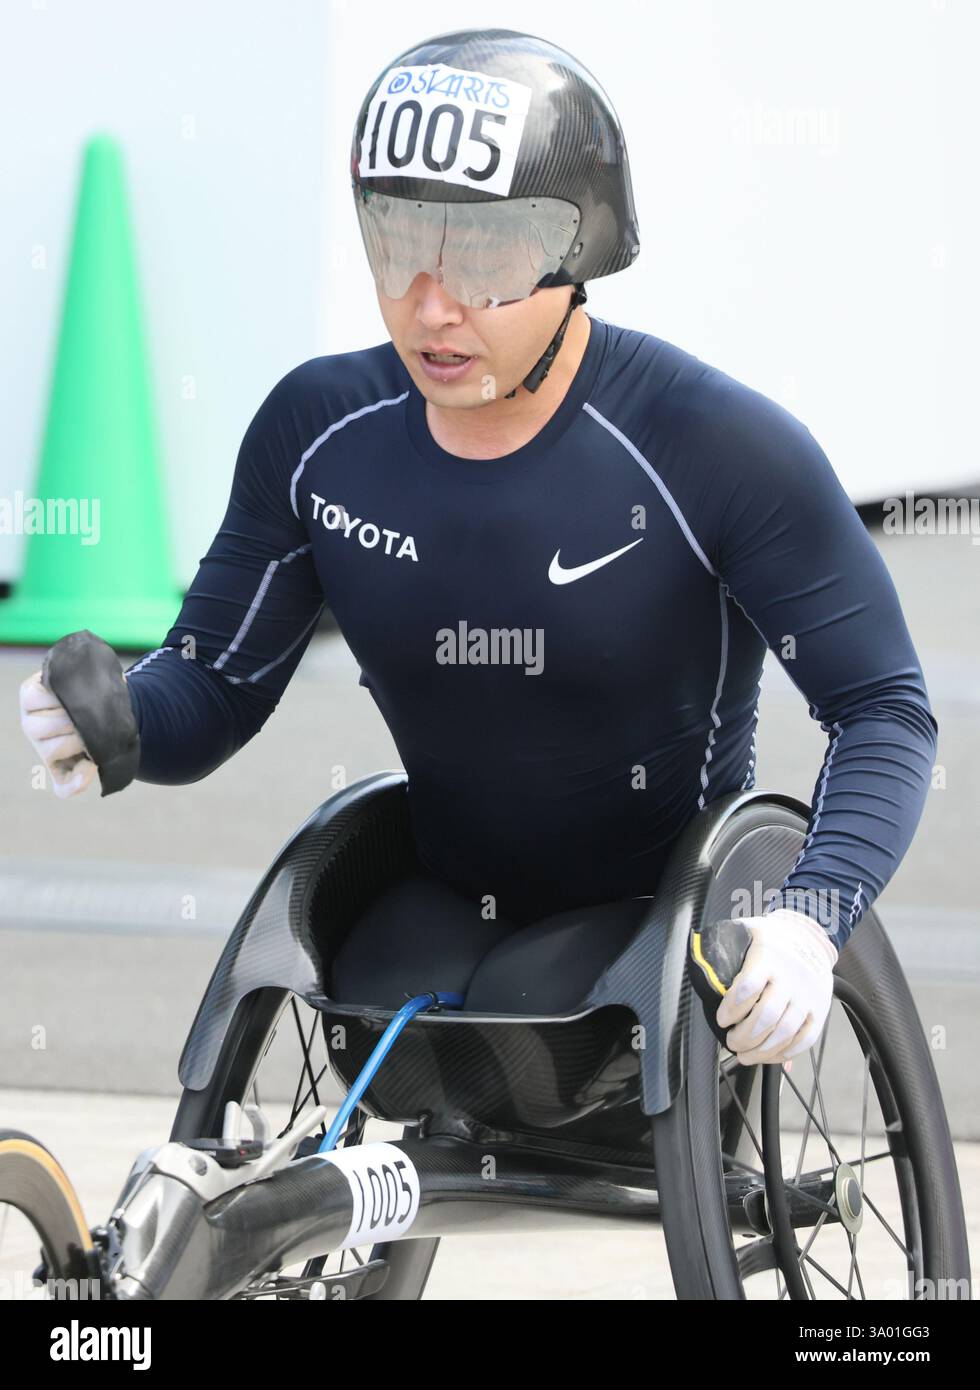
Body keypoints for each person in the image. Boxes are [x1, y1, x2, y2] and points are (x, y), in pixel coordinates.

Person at [20, 29, 937, 1066]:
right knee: (372, 1019)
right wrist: (116, 719)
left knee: (522, 1031)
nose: (432, 305)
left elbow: (882, 710)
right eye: (398, 242)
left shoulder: (714, 446)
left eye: (487, 258)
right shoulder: (318, 429)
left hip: (655, 915)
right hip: (446, 898)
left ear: (576, 254)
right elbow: (215, 689)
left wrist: (809, 917)